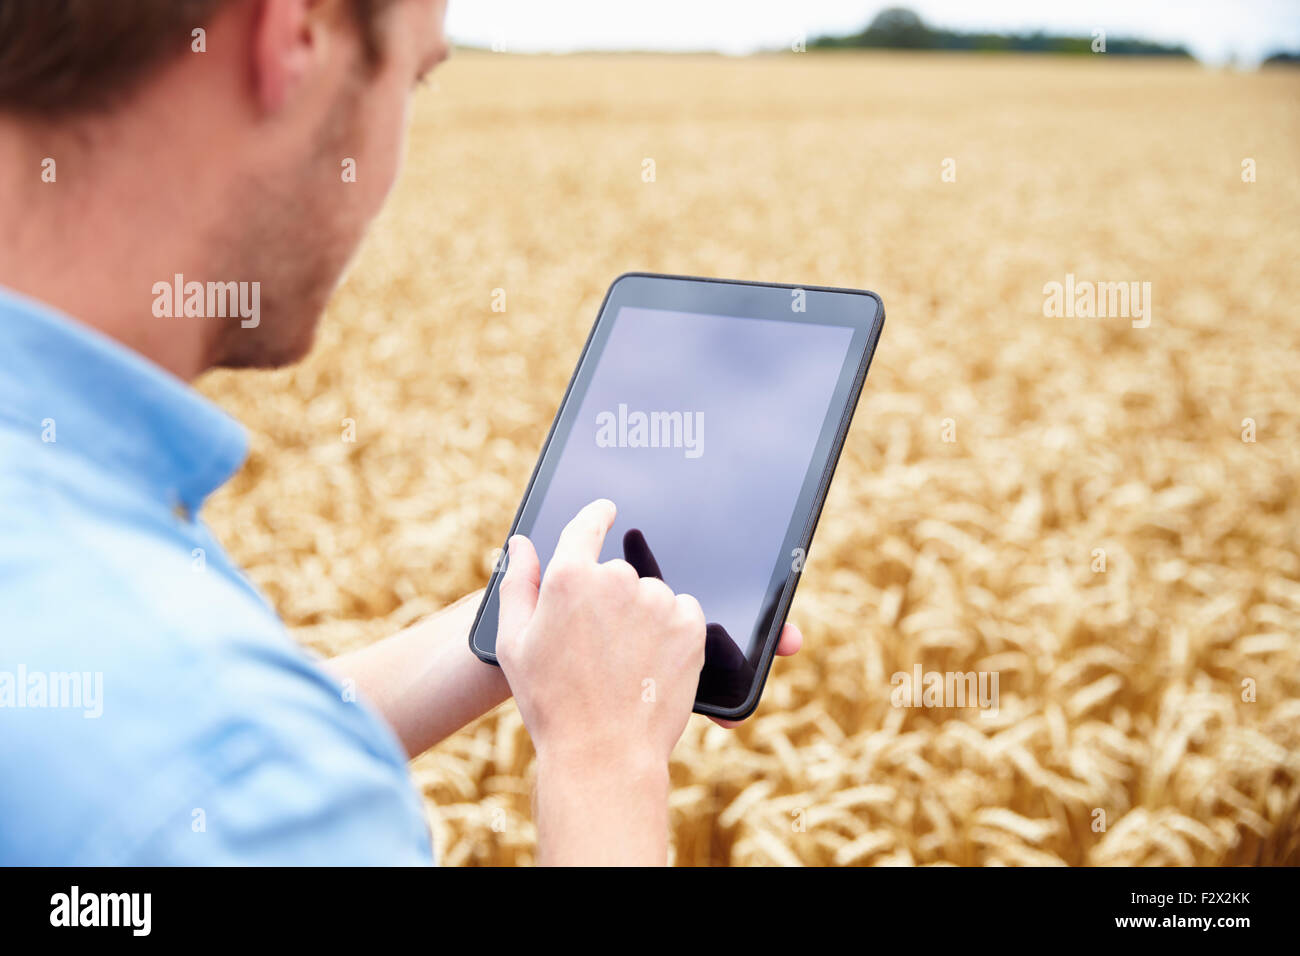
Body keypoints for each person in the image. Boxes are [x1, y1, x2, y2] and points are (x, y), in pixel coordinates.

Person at [0, 0, 802, 865]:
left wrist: (526, 615)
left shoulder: (198, 734)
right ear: (294, 38)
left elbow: (152, 741)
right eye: (415, 77)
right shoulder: (244, 790)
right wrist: (602, 764)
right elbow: (228, 776)